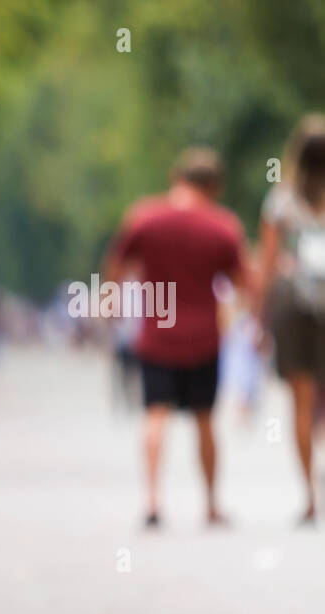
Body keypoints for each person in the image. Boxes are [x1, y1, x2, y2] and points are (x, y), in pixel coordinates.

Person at [103, 147, 249, 527]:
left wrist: (111, 303)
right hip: (204, 338)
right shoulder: (223, 226)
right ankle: (211, 504)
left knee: (155, 414)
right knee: (205, 420)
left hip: (156, 334)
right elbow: (243, 282)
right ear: (215, 186)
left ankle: (152, 501)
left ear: (176, 178)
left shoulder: (144, 218)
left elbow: (117, 265)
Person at [256, 114, 325, 523]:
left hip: (293, 305)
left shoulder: (281, 200)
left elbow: (266, 264)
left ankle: (310, 497)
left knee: (301, 402)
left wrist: (258, 319)